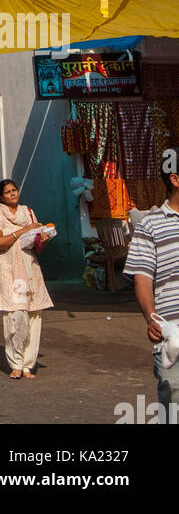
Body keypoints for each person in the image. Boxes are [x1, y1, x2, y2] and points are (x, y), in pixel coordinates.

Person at [124, 152, 179, 423]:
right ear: (175, 179)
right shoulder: (151, 225)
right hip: (173, 336)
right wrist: (151, 317)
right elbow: (142, 277)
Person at [0, 177, 54, 378]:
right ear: (1, 196)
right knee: (16, 316)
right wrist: (22, 231)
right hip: (8, 269)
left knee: (33, 315)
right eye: (8, 192)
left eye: (14, 190)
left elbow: (35, 245)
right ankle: (15, 362)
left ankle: (27, 365)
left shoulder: (29, 212)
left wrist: (41, 237)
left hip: (29, 268)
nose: (13, 194)